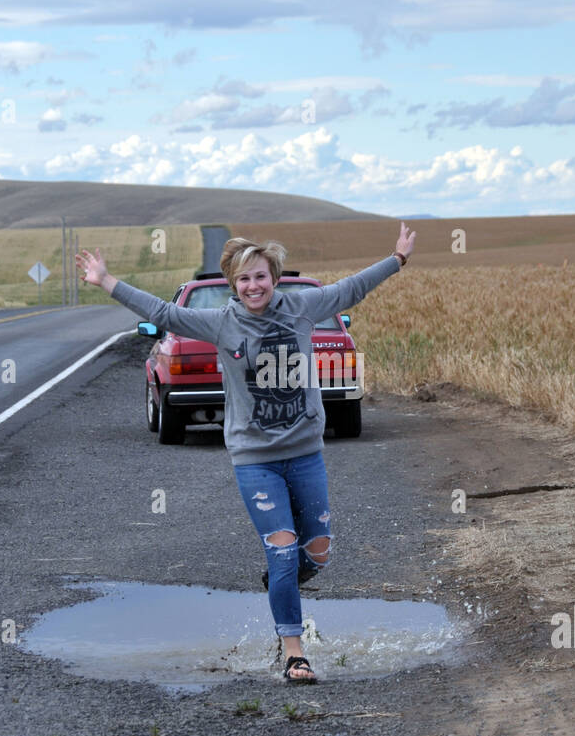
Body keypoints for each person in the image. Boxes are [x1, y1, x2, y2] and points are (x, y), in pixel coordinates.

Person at [76, 222, 416, 683]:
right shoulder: (221, 323)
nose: (253, 286)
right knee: (281, 552)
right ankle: (295, 652)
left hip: (305, 454)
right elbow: (161, 311)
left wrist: (396, 260)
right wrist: (106, 280)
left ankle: (283, 586)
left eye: (260, 276)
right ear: (233, 285)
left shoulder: (303, 307)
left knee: (316, 555)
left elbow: (352, 288)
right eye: (243, 279)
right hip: (255, 460)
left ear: (274, 278)